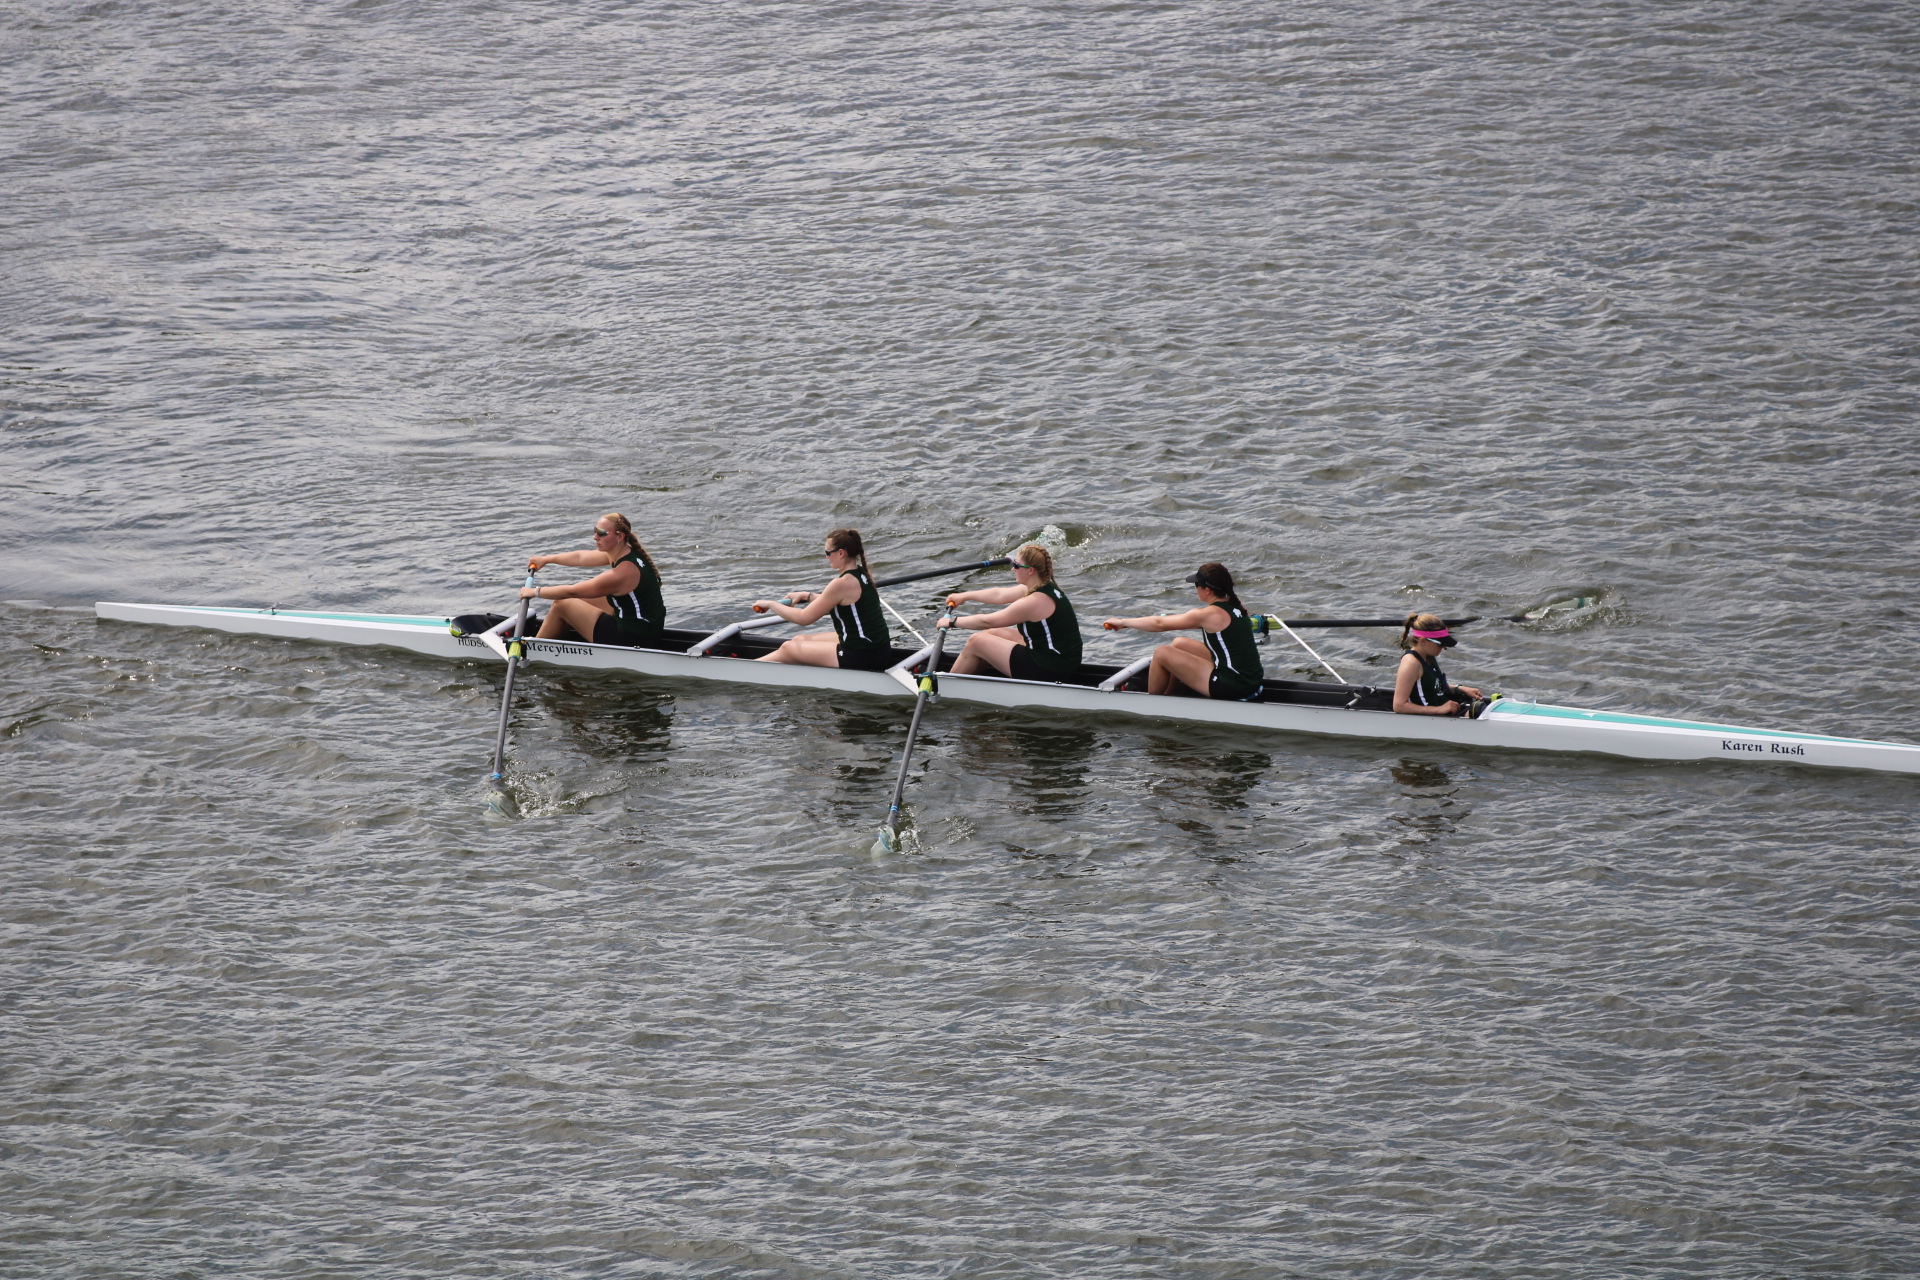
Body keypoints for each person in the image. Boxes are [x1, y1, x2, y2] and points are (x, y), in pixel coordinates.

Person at [1101, 561, 1264, 699]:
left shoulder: (1207, 615)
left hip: (1232, 686)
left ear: (1207, 590)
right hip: (1250, 680)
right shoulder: (1237, 604)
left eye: (1196, 585)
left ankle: (1151, 705)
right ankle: (1171, 695)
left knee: (1161, 653)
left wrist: (1122, 622)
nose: (1195, 588)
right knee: (1179, 644)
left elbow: (1159, 624)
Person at [752, 528, 896, 671]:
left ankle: (748, 670)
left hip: (862, 655)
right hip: (878, 649)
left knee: (788, 648)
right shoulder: (861, 572)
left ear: (841, 553)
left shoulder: (841, 583)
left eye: (828, 553)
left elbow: (803, 618)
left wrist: (771, 604)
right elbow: (834, 601)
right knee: (799, 640)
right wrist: (805, 595)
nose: (826, 557)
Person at [938, 544, 1083, 681]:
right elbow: (1000, 595)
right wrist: (964, 596)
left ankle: (948, 686)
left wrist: (952, 622)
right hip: (1061, 660)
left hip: (1051, 669)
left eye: (1017, 565)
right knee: (992, 633)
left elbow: (988, 621)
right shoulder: (1042, 585)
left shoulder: (1034, 601)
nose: (1013, 569)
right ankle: (972, 675)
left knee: (976, 641)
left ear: (1030, 570)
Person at [520, 512, 666, 647]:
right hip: (646, 629)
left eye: (601, 533)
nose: (595, 537)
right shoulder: (625, 552)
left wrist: (534, 592)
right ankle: (557, 635)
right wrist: (546, 559)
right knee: (581, 601)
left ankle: (533, 650)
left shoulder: (621, 573)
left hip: (632, 638)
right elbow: (580, 558)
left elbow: (572, 591)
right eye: (595, 531)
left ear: (620, 536)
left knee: (561, 603)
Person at [1392, 613, 1485, 716]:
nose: (1444, 647)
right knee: (1479, 712)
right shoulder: (1411, 663)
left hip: (1445, 710)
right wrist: (1439, 709)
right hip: (1432, 717)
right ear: (1423, 641)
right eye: (1440, 644)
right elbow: (1399, 706)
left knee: (1482, 707)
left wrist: (1460, 688)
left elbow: (1433, 687)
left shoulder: (1429, 655)